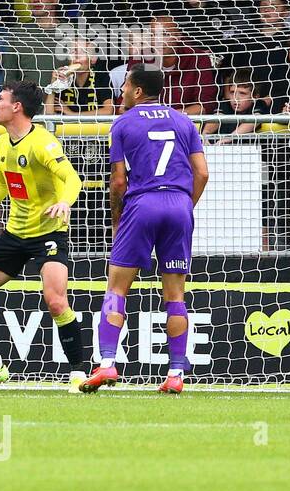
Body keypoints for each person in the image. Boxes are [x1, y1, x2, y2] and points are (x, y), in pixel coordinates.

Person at [81, 67, 209, 395]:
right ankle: (176, 373)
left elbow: (119, 180)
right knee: (176, 296)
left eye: (125, 85)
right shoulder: (184, 121)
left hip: (141, 205)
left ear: (137, 91)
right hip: (178, 204)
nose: (121, 90)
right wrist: (183, 205)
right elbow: (202, 173)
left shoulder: (122, 123)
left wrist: (116, 220)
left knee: (117, 289)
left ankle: (108, 364)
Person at [0, 81, 87, 390]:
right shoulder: (4, 142)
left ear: (16, 107)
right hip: (15, 233)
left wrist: (63, 203)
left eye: (0, 99)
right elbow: (3, 184)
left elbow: (72, 178)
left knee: (55, 301)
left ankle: (79, 374)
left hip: (49, 232)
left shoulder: (42, 142)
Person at [202, 72, 268, 142]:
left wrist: (228, 138)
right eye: (232, 92)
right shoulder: (225, 104)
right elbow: (216, 119)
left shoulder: (259, 104)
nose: (235, 98)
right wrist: (206, 133)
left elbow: (254, 120)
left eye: (242, 93)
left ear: (255, 97)